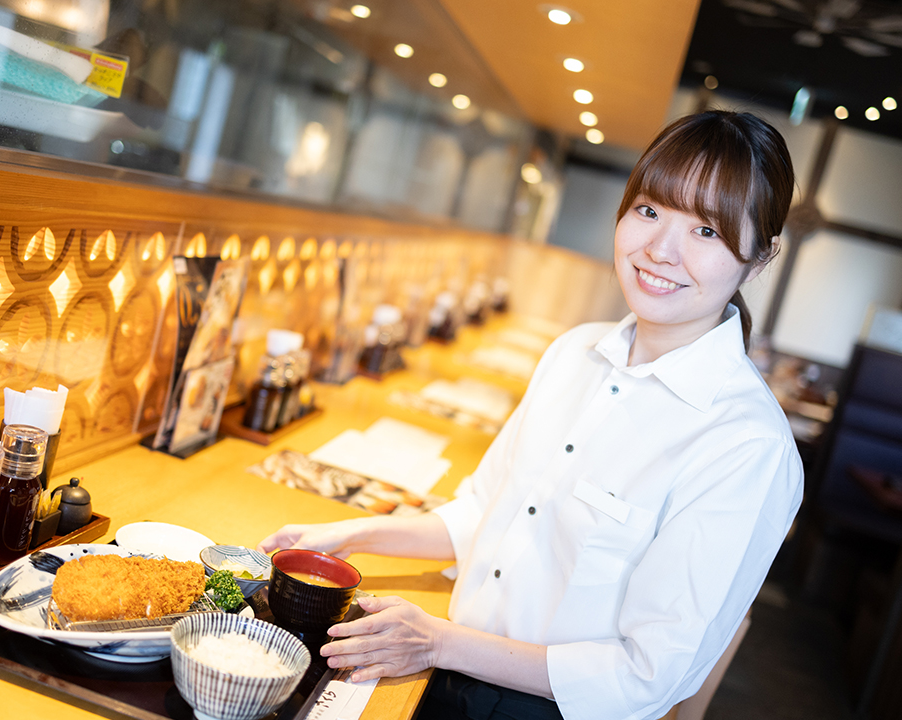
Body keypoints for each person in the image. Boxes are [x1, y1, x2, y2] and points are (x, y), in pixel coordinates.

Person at [258, 110, 803, 720]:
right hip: (441, 670)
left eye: (706, 231)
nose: (660, 250)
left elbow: (645, 676)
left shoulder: (747, 445)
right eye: (650, 211)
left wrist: (438, 641)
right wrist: (352, 534)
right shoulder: (575, 353)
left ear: (759, 258)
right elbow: (480, 515)